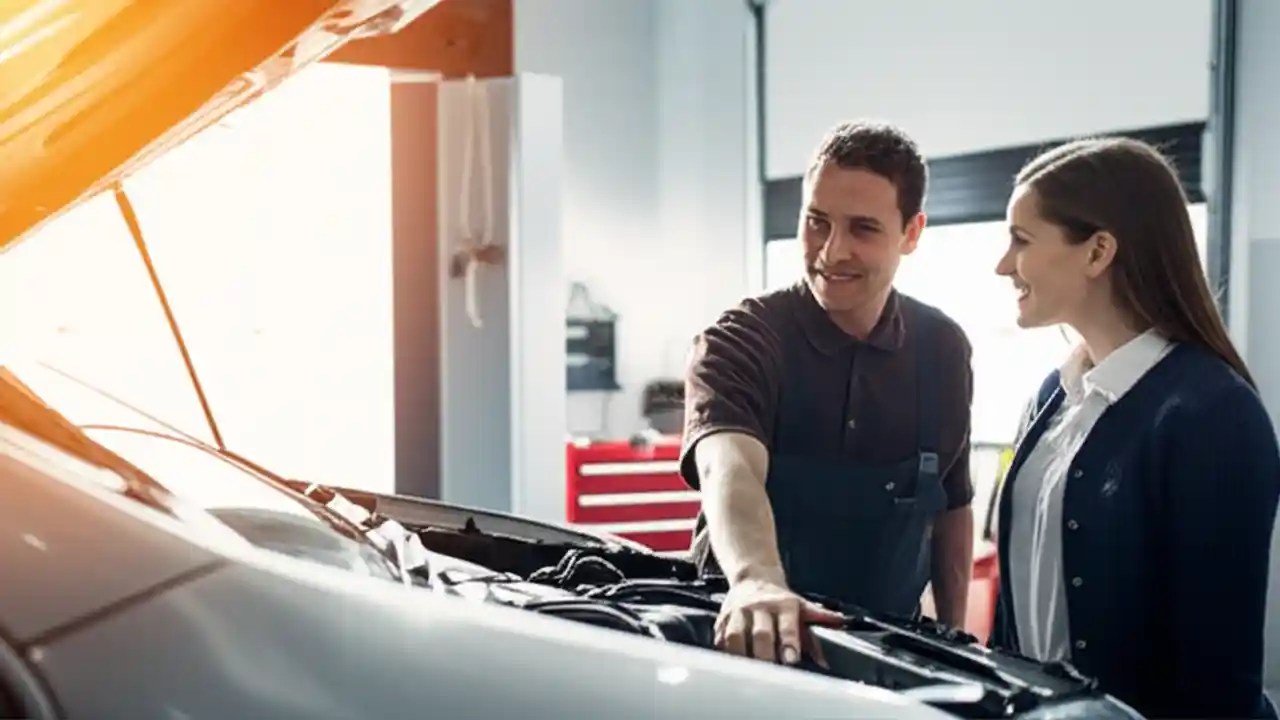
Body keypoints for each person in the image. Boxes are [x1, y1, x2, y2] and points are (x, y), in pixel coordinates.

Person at [991, 136, 1280, 719]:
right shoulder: (1052, 394)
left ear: (1097, 252)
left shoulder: (1213, 414)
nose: (1003, 265)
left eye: (1021, 239)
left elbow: (1217, 676)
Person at [678, 121, 976, 666]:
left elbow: (951, 506)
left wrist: (953, 639)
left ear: (912, 233)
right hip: (746, 654)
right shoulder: (742, 339)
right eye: (817, 222)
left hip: (885, 664)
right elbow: (728, 468)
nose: (832, 251)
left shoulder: (942, 348)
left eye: (863, 229)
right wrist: (756, 580)